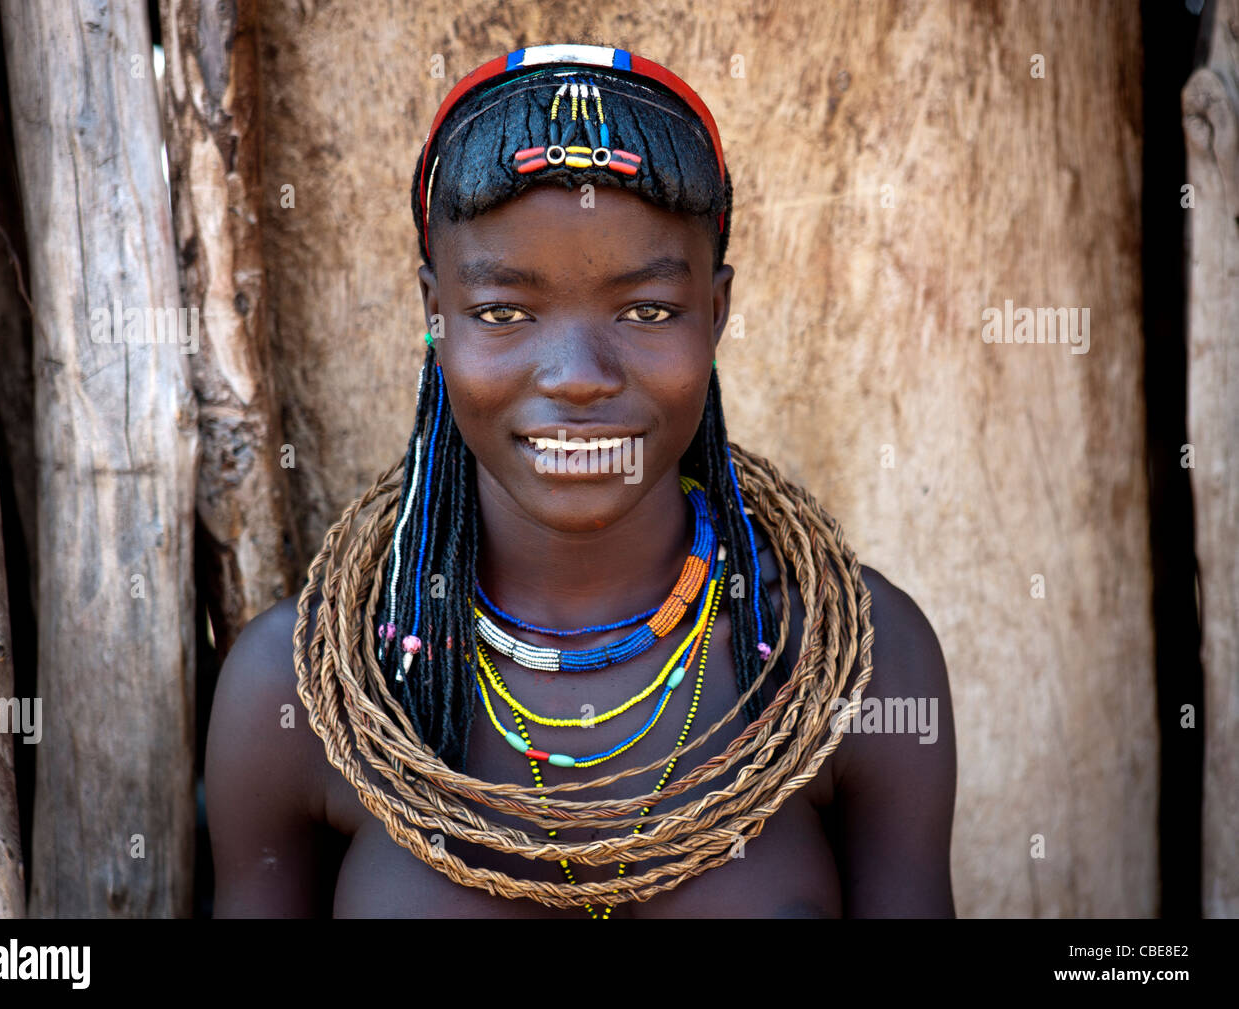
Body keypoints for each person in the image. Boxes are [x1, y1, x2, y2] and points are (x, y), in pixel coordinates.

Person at [207, 42, 957, 918]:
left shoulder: (857, 666)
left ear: (715, 314)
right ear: (435, 316)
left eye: (647, 310)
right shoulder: (300, 692)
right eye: (503, 311)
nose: (578, 377)